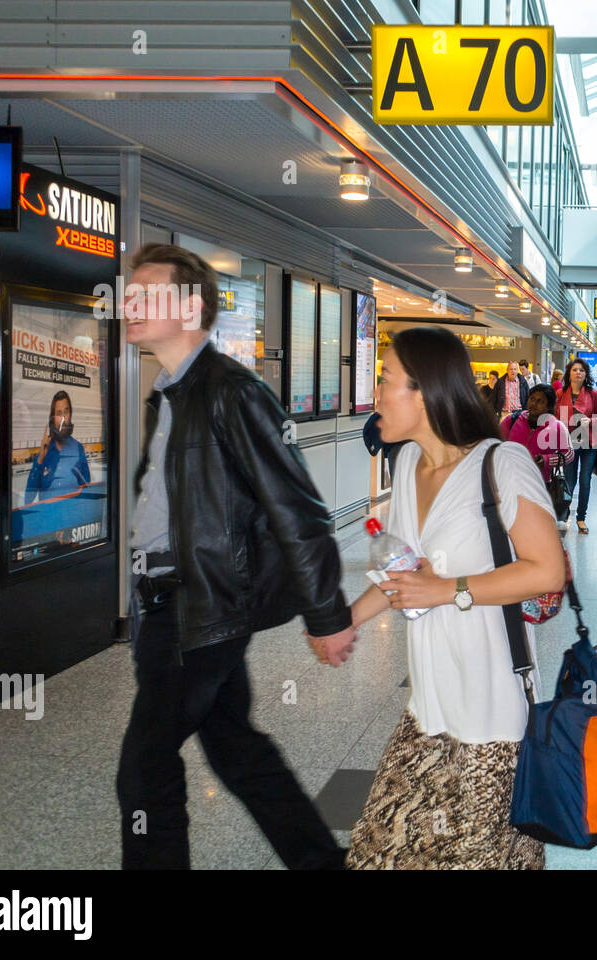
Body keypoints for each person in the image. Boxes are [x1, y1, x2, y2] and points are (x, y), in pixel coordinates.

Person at [118, 243, 353, 870]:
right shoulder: (169, 395)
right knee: (236, 751)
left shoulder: (233, 393)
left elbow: (295, 509)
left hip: (200, 609)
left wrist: (326, 616)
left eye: (146, 293)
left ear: (191, 308)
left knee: (143, 773)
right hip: (170, 603)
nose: (128, 303)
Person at [339, 327, 565, 869]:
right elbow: (401, 571)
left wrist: (449, 591)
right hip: (428, 708)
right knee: (382, 852)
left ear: (425, 391)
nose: (376, 395)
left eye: (385, 380)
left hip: (491, 715)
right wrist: (345, 621)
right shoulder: (407, 467)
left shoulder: (501, 464)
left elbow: (547, 569)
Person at [501, 383, 574, 532]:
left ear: (549, 406)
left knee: (534, 529)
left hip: (540, 487)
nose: (534, 404)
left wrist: (547, 461)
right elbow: (494, 443)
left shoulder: (556, 427)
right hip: (509, 484)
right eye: (532, 399)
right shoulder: (512, 420)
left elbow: (568, 454)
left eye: (540, 401)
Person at [557, 357, 597, 535]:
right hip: (568, 442)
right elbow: (554, 419)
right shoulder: (561, 394)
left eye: (582, 370)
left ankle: (581, 517)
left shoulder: (592, 394)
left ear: (586, 375)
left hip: (588, 442)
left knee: (585, 480)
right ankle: (565, 511)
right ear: (569, 373)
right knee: (569, 481)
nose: (578, 373)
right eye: (575, 370)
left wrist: (589, 420)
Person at [24, 389, 91, 503]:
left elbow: (87, 489)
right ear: (53, 418)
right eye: (59, 413)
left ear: (70, 415)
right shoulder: (44, 452)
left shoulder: (78, 448)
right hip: (48, 518)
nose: (63, 418)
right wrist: (40, 460)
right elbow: (28, 499)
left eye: (66, 412)